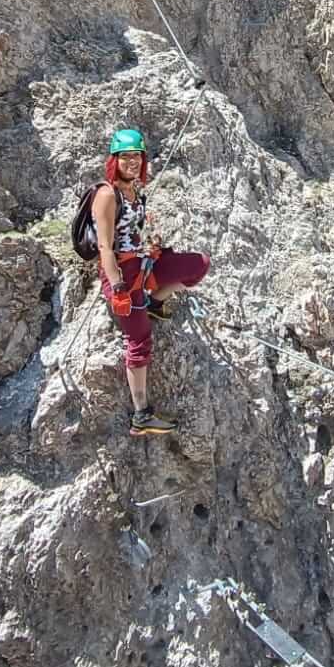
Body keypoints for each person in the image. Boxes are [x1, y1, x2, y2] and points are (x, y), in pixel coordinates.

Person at [91, 128, 210, 436]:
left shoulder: (135, 191)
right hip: (122, 274)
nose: (132, 162)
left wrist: (151, 246)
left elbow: (133, 232)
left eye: (137, 156)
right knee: (139, 340)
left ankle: (155, 302)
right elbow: (105, 246)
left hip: (143, 263)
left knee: (197, 265)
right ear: (114, 160)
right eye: (126, 157)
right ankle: (141, 414)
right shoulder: (106, 195)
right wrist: (117, 288)